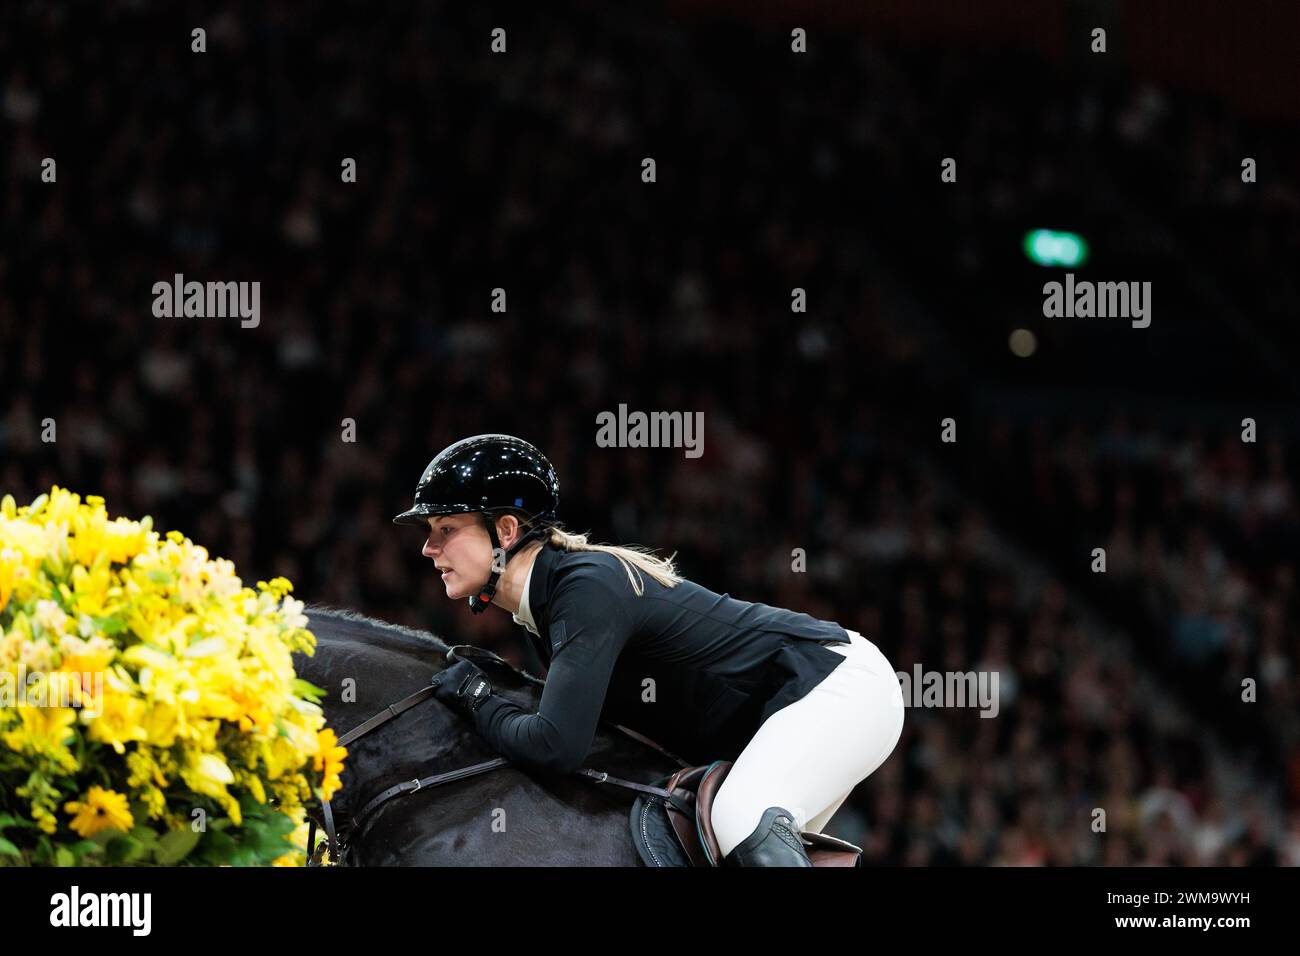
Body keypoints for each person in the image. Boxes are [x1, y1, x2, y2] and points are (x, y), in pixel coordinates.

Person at [394, 433, 904, 866]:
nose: (428, 548)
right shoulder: (549, 606)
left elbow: (556, 746)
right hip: (806, 700)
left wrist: (478, 697)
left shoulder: (583, 589)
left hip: (833, 685)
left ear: (505, 530)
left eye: (446, 529)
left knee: (740, 817)